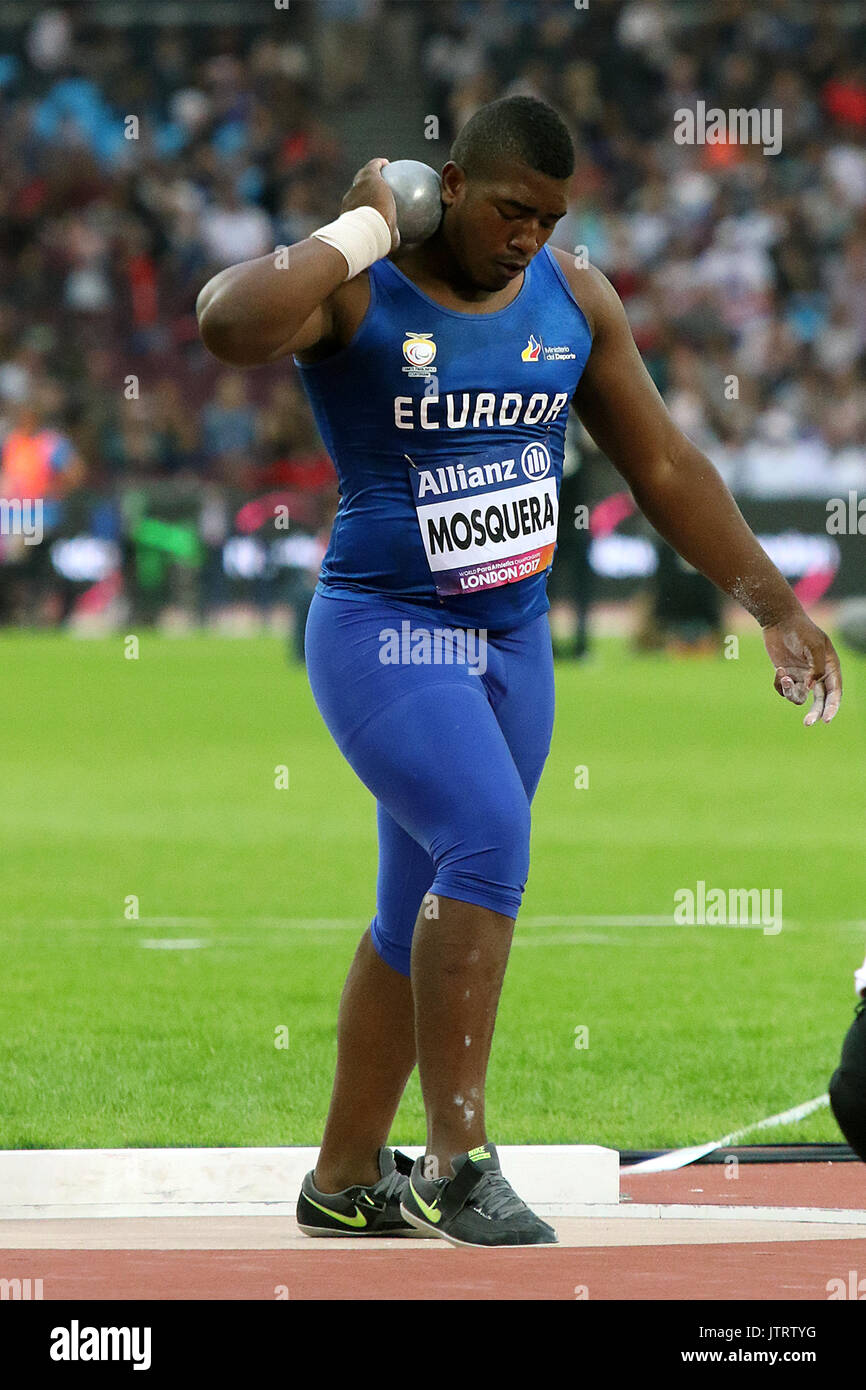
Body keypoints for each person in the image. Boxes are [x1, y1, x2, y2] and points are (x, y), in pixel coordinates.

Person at [196, 96, 842, 1248]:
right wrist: (355, 231)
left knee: (415, 913)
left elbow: (660, 459)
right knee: (488, 840)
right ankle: (456, 1159)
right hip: (386, 630)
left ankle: (344, 1180)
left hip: (512, 642)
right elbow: (228, 327)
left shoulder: (572, 297)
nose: (525, 239)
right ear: (445, 185)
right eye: (508, 211)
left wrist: (772, 603)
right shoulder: (362, 284)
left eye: (547, 219)